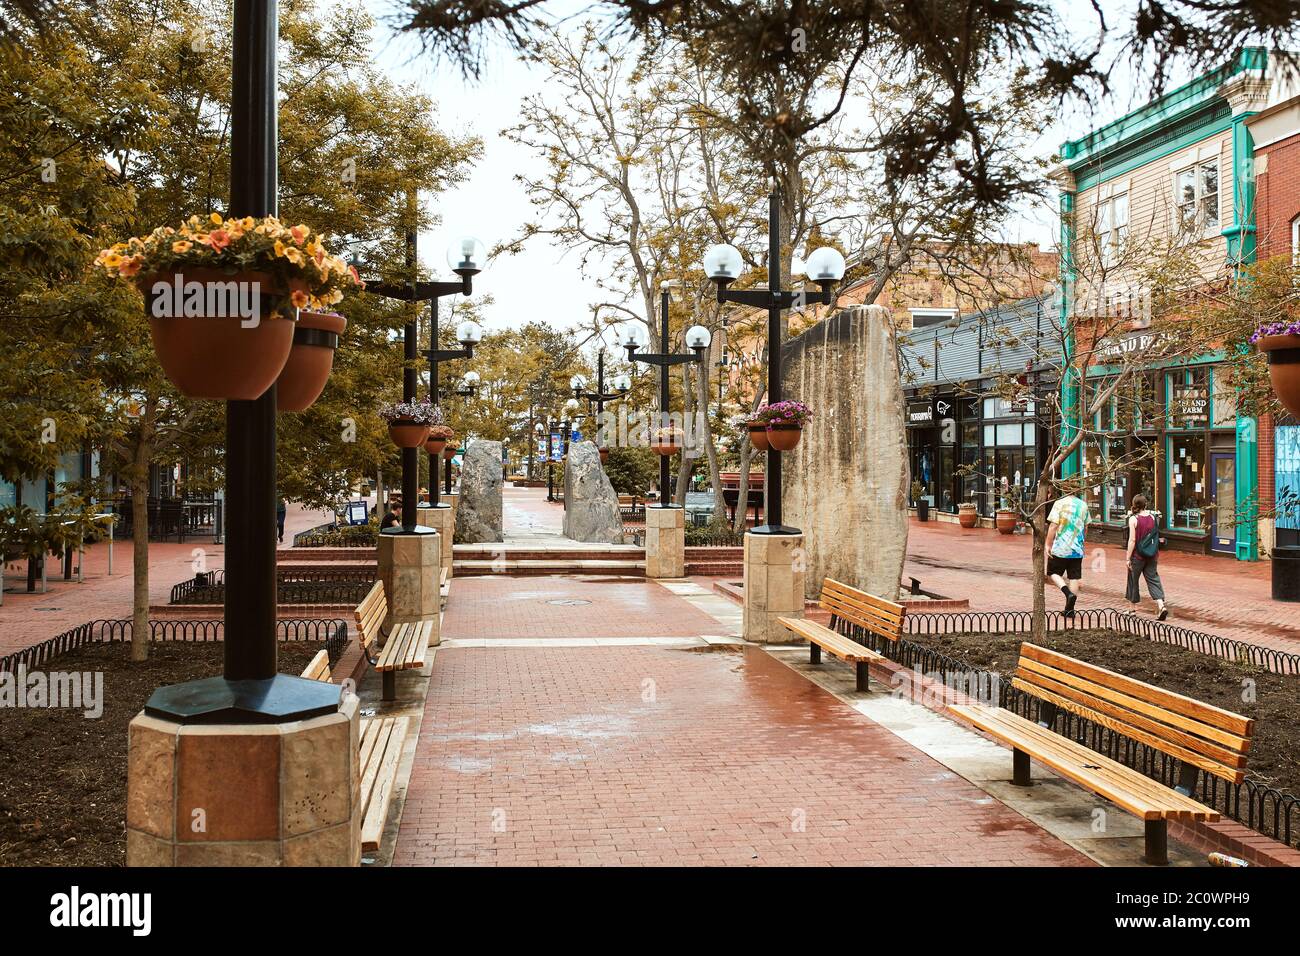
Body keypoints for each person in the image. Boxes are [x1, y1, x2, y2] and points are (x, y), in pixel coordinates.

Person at [1045, 480, 1090, 618]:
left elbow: (1053, 526)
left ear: (1064, 489)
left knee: (1052, 572)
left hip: (1061, 547)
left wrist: (1048, 544)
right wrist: (1082, 543)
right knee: (1074, 577)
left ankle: (1067, 593)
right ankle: (1070, 610)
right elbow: (1086, 527)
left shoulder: (1059, 504)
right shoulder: (1083, 505)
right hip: (1077, 549)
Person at [1125, 494, 1168, 620]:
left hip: (1137, 556)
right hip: (1152, 554)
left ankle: (1132, 610)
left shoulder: (1133, 519)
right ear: (1145, 505)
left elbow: (1132, 540)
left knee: (1133, 580)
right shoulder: (1153, 518)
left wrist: (1128, 558)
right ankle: (1161, 606)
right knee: (1153, 579)